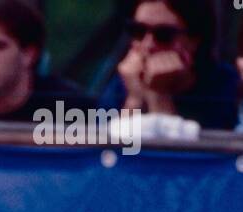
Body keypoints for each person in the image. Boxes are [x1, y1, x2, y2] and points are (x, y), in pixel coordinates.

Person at [99, 0, 238, 132]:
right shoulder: (124, 81)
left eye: (163, 35)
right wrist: (134, 100)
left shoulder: (225, 86)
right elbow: (105, 152)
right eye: (138, 31)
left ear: (194, 41)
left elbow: (183, 155)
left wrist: (159, 96)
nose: (148, 45)